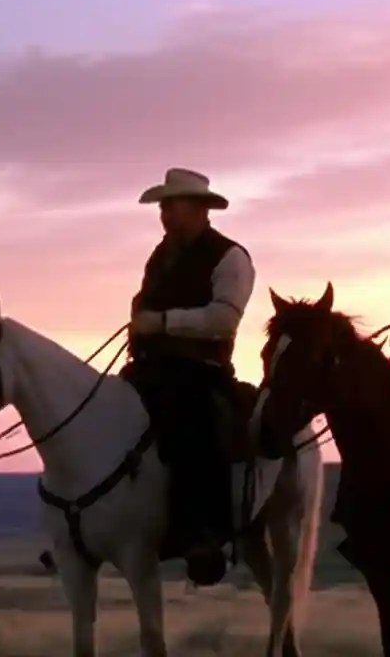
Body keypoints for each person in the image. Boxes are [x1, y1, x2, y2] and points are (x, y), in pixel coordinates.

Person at [125, 167, 256, 586]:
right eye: (162, 206)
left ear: (200, 208)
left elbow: (223, 320)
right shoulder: (160, 255)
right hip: (149, 366)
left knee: (190, 423)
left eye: (171, 205)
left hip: (200, 369)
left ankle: (203, 533)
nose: (164, 214)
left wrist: (161, 322)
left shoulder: (230, 257)